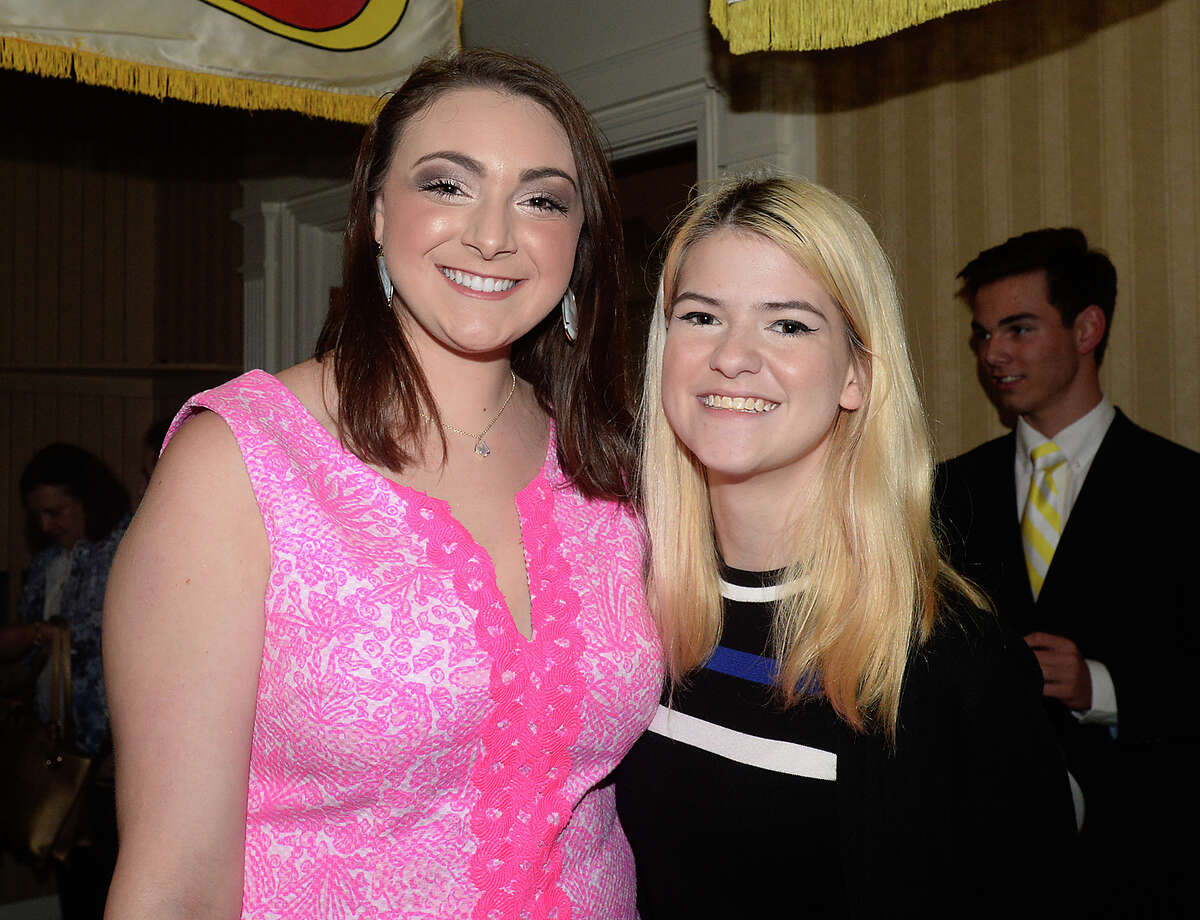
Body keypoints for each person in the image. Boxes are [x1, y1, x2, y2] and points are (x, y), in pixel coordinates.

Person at [103, 50, 663, 920]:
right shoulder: (242, 463)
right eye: (446, 184)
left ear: (578, 244)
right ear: (373, 213)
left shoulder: (611, 471)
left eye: (542, 199)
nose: (492, 233)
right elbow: (172, 884)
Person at [613, 176, 1075, 918]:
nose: (733, 357)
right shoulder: (624, 611)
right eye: (701, 316)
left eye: (787, 325)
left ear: (857, 373)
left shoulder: (950, 657)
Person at [936, 227, 1200, 915]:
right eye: (983, 334)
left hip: (1145, 858)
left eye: (1018, 329)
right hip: (983, 866)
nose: (993, 353)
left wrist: (1102, 687)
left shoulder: (1183, 489)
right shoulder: (945, 494)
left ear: (1088, 328)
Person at [0, 443, 130, 919]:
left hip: (111, 753)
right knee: (72, 875)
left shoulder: (126, 550)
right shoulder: (47, 563)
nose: (45, 527)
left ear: (88, 501)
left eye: (56, 512)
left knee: (112, 876)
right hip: (57, 742)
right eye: (37, 516)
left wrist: (42, 635)